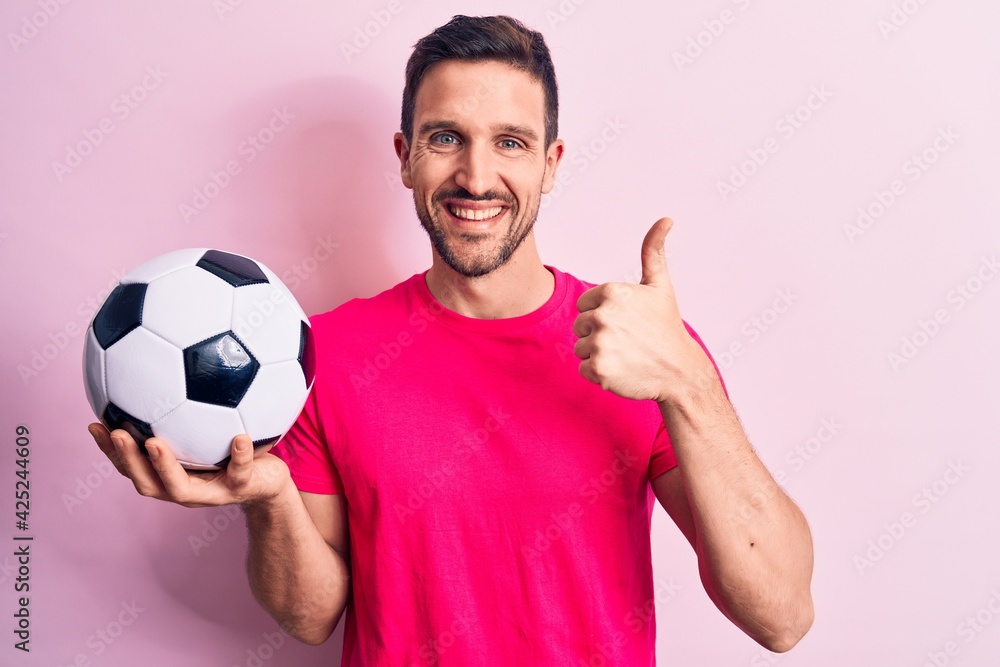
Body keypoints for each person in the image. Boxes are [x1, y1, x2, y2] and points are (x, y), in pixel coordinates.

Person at [89, 14, 814, 665]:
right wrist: (268, 495)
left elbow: (780, 616)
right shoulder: (322, 355)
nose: (475, 175)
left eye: (510, 142)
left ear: (550, 163)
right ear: (405, 156)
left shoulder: (641, 346)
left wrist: (688, 381)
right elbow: (310, 616)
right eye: (445, 138)